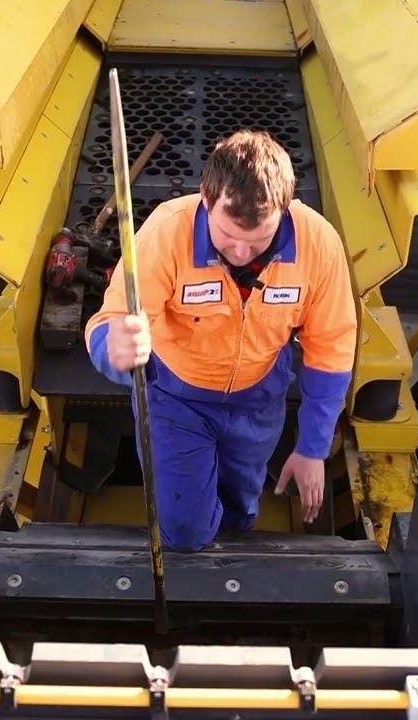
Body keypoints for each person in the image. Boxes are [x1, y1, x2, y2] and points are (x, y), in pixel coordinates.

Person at [83, 129, 357, 552]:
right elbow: (112, 317)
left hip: (257, 403)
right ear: (205, 200)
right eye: (228, 236)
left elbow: (332, 347)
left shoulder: (319, 245)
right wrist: (112, 349)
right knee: (186, 534)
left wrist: (313, 448)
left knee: (240, 514)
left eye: (258, 239)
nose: (242, 253)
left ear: (285, 210)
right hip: (176, 401)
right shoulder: (164, 233)